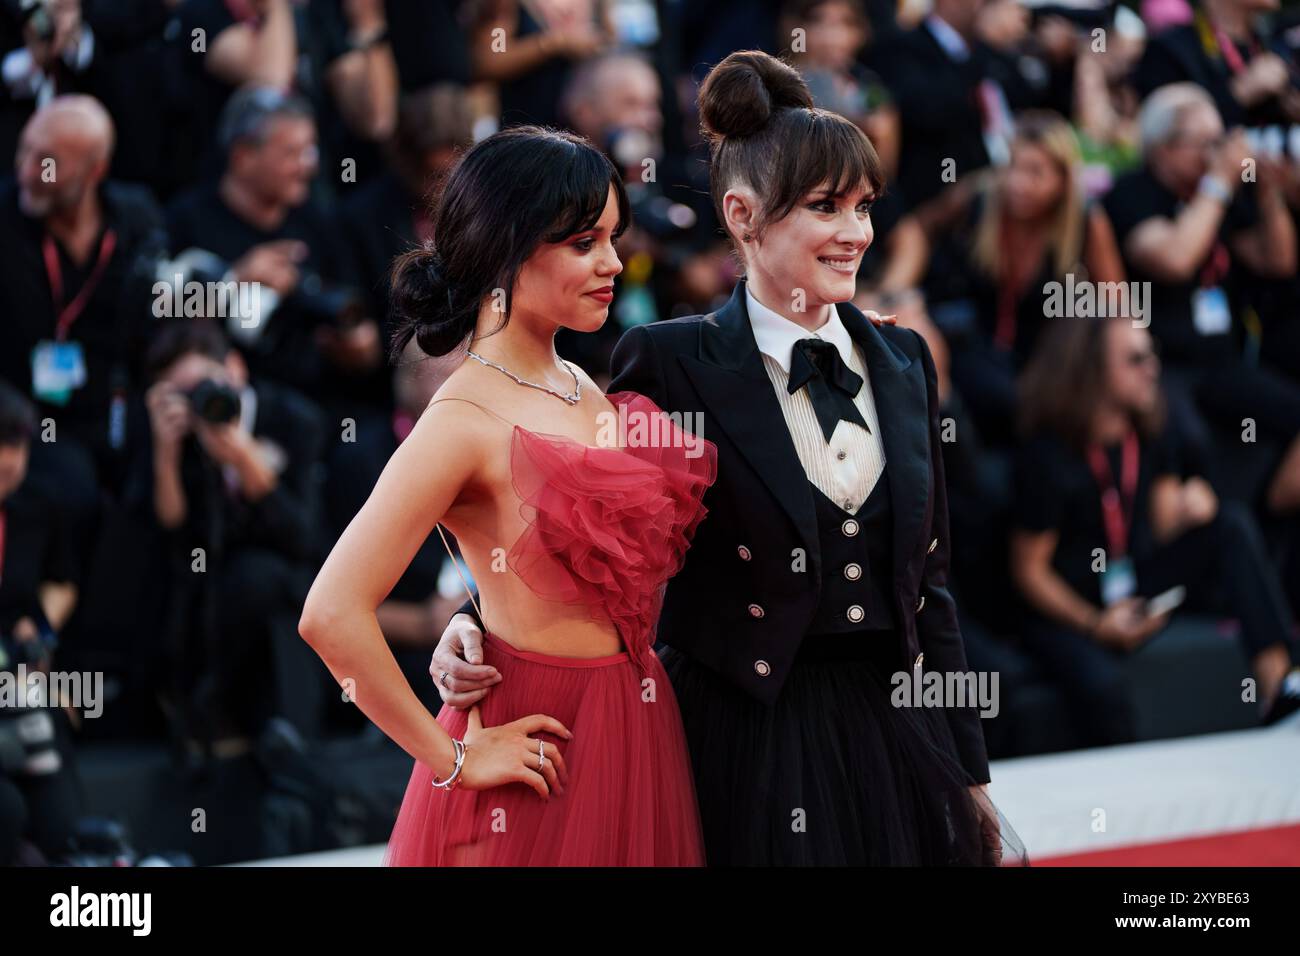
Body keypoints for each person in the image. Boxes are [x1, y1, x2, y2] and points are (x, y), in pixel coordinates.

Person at [434, 51, 1028, 866]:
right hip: (748, 734)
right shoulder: (671, 360)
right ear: (744, 214)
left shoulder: (904, 361)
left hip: (898, 732)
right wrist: (473, 626)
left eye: (865, 206)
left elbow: (928, 591)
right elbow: (599, 533)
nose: (856, 233)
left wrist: (968, 772)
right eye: (826, 207)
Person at [300, 125, 715, 866]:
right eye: (584, 243)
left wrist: (470, 619)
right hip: (536, 748)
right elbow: (330, 614)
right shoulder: (460, 420)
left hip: (634, 724)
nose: (614, 263)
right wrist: (451, 758)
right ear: (506, 248)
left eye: (613, 239)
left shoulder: (582, 382)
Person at [1010, 315, 1300, 745]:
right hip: (1073, 604)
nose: (1152, 368)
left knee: (1231, 525)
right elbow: (1028, 573)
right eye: (1135, 359)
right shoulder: (1049, 456)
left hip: (1130, 581)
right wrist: (1095, 624)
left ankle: (1279, 686)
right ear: (1092, 369)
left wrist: (1189, 511)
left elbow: (1161, 533)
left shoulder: (1146, 432)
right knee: (1104, 689)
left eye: (1153, 356)